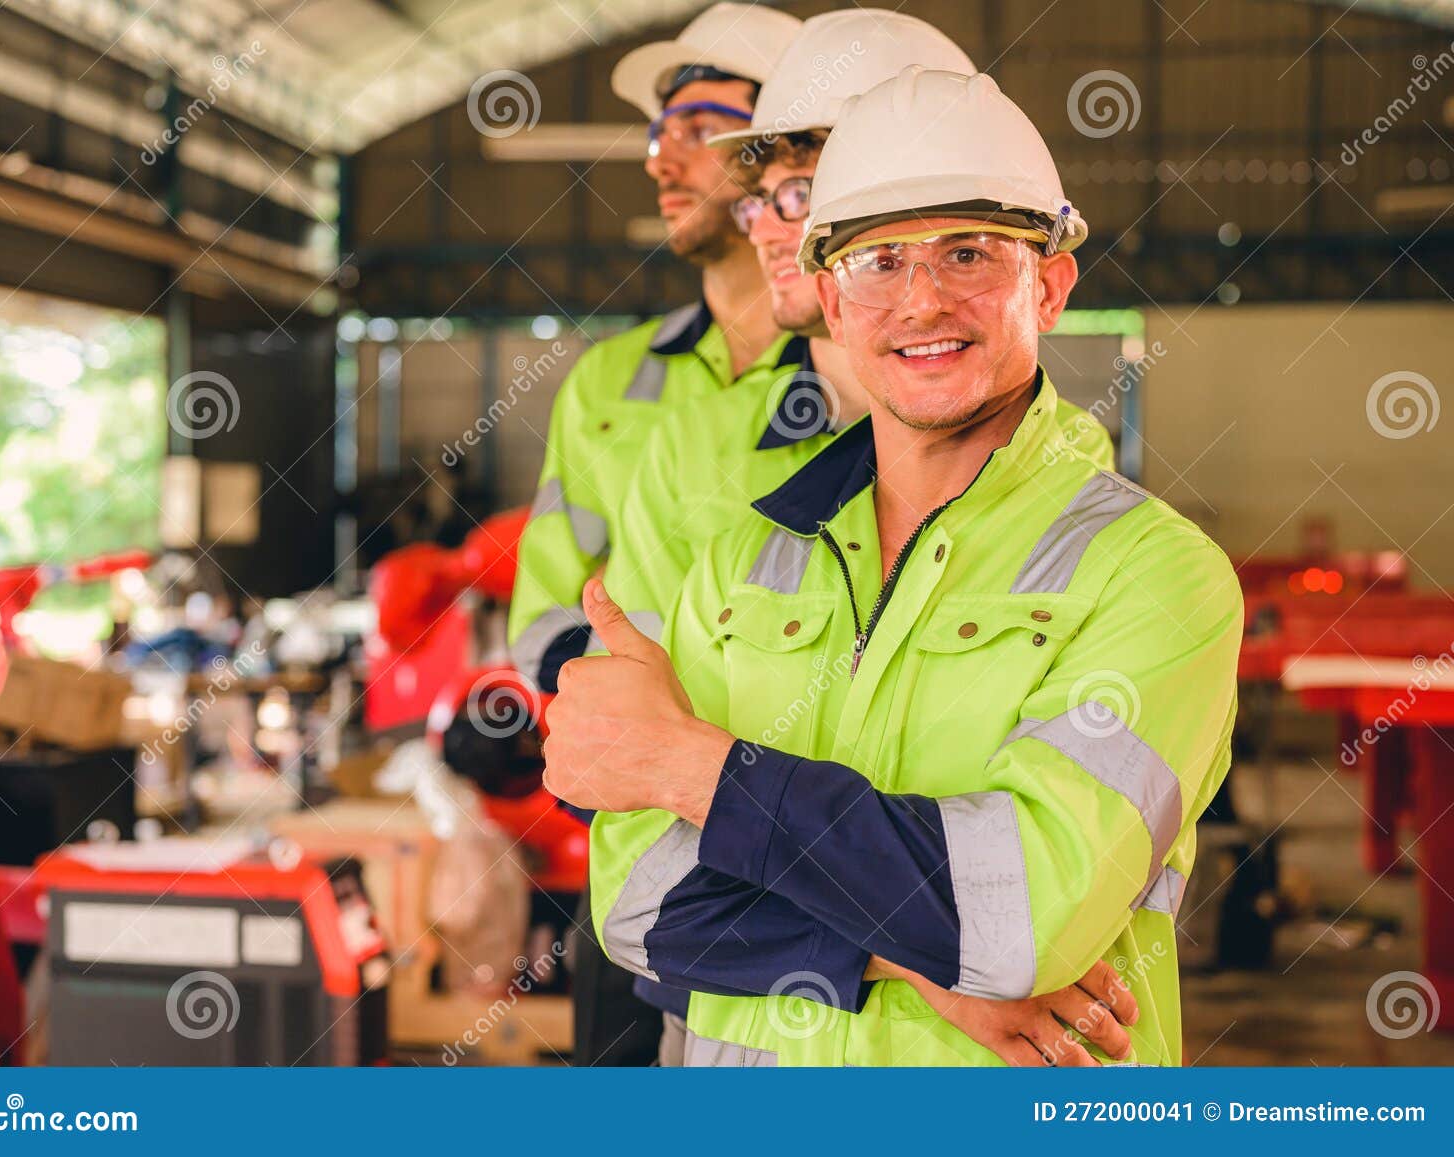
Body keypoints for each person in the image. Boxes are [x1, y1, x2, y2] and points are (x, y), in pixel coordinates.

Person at [544, 68, 1243, 1067]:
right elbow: (637, 907)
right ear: (828, 299)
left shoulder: (1155, 574)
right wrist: (904, 960)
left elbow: (1017, 919)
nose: (921, 299)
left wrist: (690, 765)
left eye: (967, 252)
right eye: (875, 261)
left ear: (1046, 285)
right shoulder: (741, 563)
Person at [604, 8, 1113, 650]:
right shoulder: (689, 446)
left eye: (802, 192)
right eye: (763, 197)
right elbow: (639, 706)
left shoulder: (1067, 453)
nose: (764, 230)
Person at [505, 2, 801, 1067]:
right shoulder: (611, 381)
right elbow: (545, 607)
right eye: (655, 129)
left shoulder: (872, 382)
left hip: (800, 843)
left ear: (794, 153)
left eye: (702, 122)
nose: (660, 155)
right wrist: (643, 723)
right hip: (636, 858)